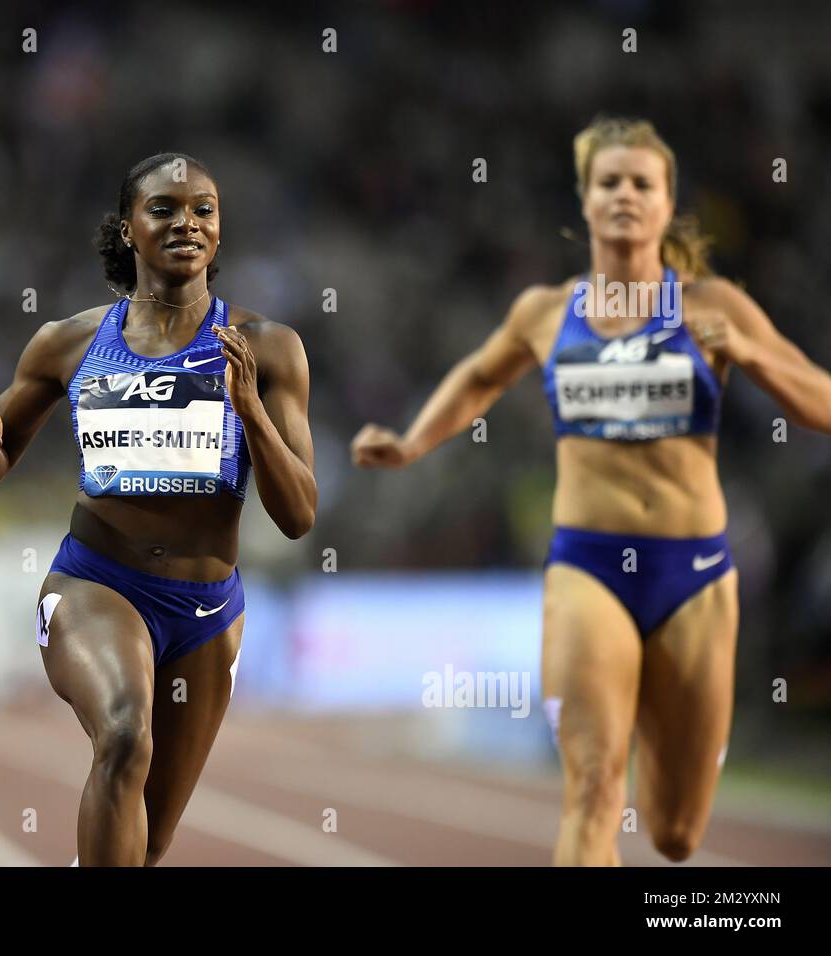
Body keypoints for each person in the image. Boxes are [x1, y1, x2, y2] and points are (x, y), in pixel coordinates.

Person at [352, 117, 831, 865]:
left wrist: (749, 357)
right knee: (596, 788)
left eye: (643, 183)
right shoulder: (548, 312)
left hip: (696, 575)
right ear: (585, 201)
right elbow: (480, 375)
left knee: (675, 833)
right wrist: (413, 441)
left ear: (668, 203)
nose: (625, 196)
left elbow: (821, 402)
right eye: (609, 182)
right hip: (588, 567)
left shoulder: (715, 308)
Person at [0, 153, 315, 866]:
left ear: (219, 232)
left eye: (204, 209)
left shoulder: (269, 348)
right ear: (128, 229)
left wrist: (248, 408)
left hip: (207, 608)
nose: (186, 221)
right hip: (97, 585)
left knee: (148, 843)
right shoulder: (68, 342)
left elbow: (299, 512)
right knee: (125, 737)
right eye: (164, 208)